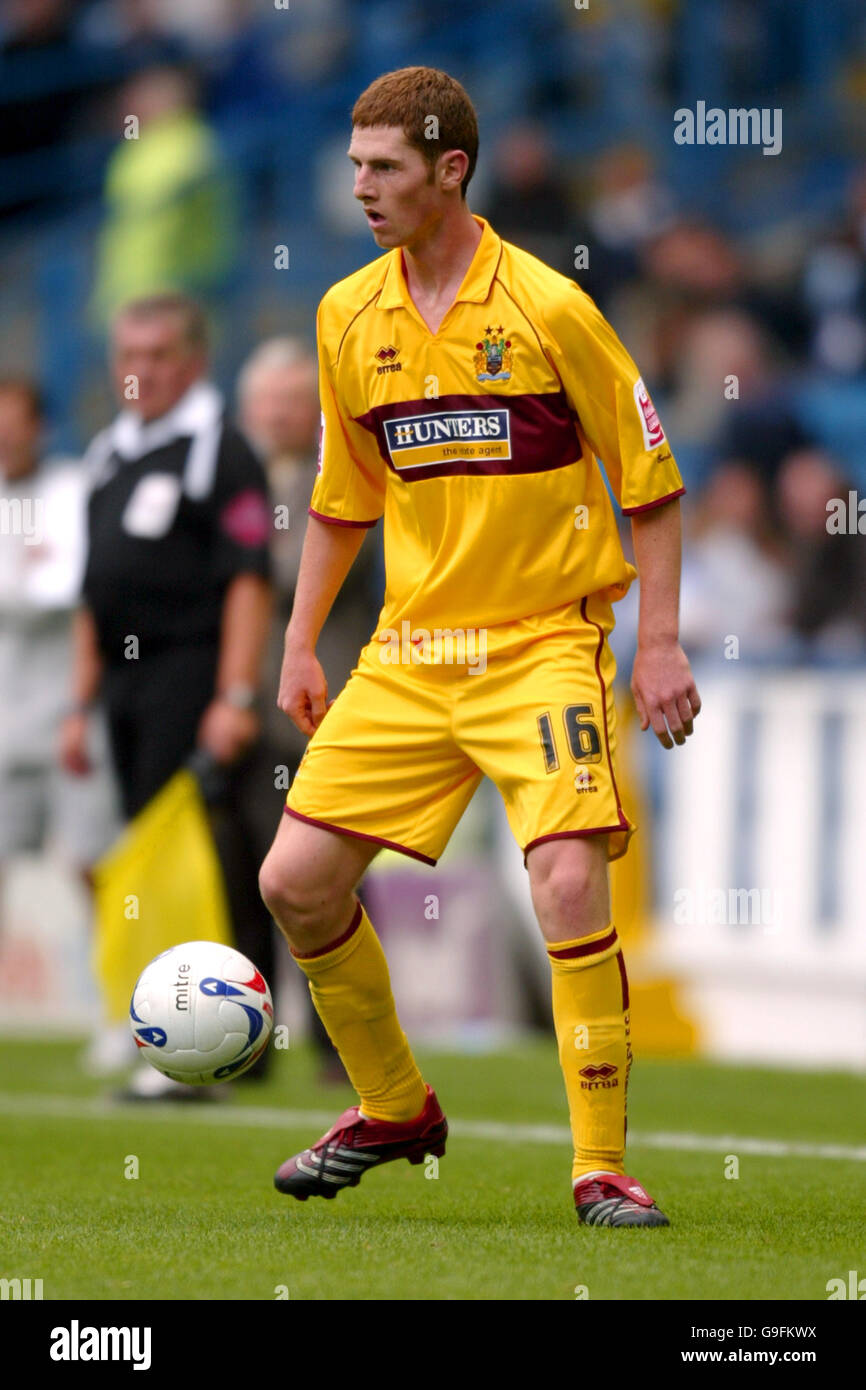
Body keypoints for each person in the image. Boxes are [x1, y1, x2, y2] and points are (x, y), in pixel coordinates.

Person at [259, 67, 701, 1228]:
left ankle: (599, 1165)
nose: (361, 188)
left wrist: (657, 645)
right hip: (409, 650)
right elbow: (341, 498)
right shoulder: (345, 314)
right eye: (354, 167)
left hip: (541, 644)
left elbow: (650, 483)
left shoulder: (551, 307)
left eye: (384, 168)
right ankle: (393, 1107)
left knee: (567, 876)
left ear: (449, 170)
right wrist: (299, 643)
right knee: (293, 883)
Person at [61, 292, 275, 1098]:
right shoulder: (108, 455)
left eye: (157, 356)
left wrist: (235, 695)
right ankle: (173, 1029)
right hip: (121, 685)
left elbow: (248, 581)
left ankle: (197, 1053)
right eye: (128, 355)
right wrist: (80, 704)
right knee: (144, 857)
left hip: (189, 671)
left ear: (194, 361)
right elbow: (94, 595)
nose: (139, 372)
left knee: (187, 858)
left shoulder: (221, 449)